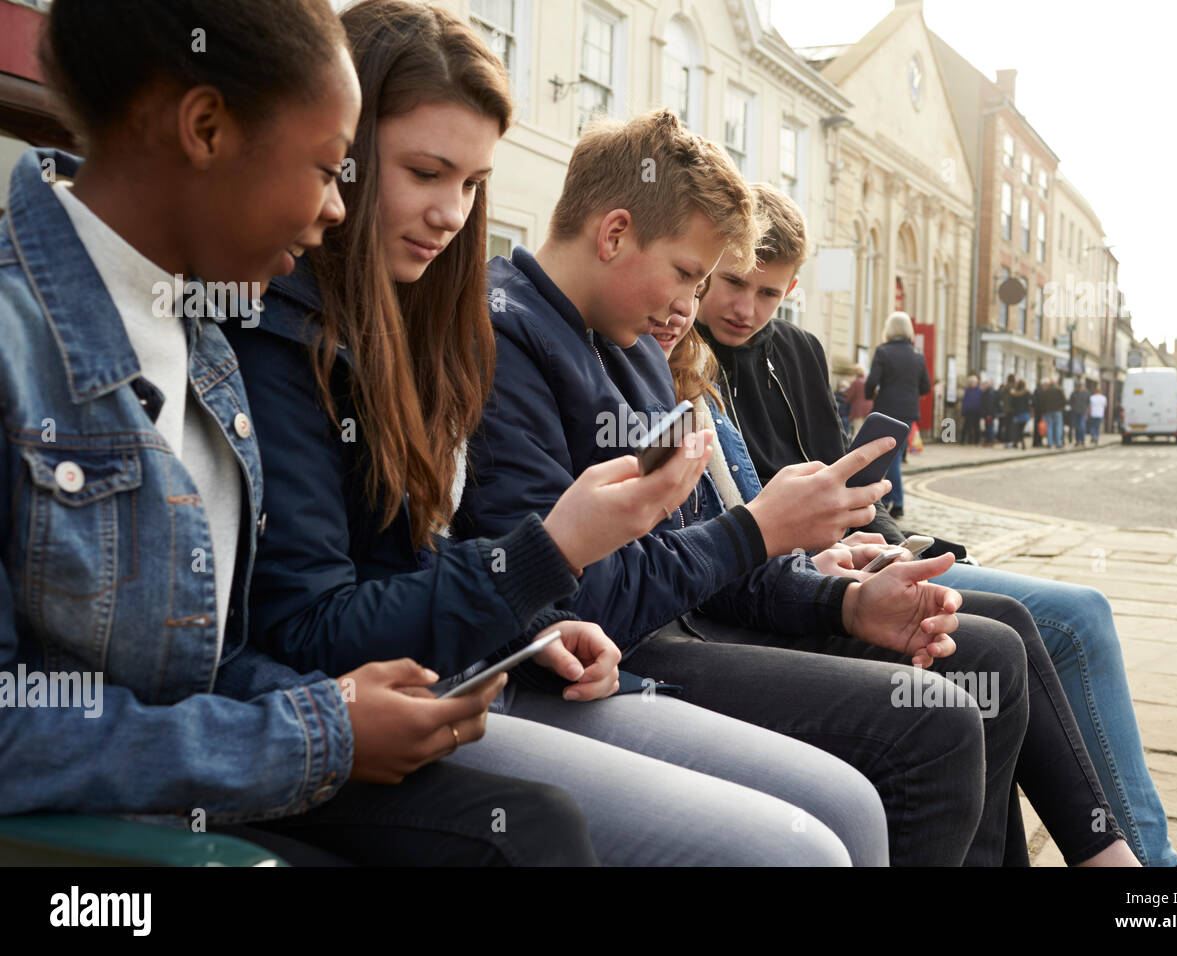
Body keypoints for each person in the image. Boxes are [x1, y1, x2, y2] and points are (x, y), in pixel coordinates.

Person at [225, 0, 886, 867]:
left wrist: (536, 629)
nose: (452, 213)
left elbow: (428, 563)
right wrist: (564, 554)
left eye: (470, 184)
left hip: (515, 666)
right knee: (804, 840)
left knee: (855, 803)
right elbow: (315, 624)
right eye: (425, 172)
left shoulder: (441, 329)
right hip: (385, 706)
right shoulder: (353, 333)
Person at [0, 0, 603, 866]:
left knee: (529, 829)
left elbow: (209, 656)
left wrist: (345, 707)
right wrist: (318, 730)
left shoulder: (201, 332)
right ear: (206, 128)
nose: (334, 211)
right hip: (90, 846)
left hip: (208, 789)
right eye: (327, 168)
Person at [456, 109, 1043, 866]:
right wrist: (758, 531)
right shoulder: (508, 337)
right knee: (933, 728)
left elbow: (706, 547)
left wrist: (844, 601)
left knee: (983, 655)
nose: (689, 309)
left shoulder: (631, 344)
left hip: (684, 624)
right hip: (621, 657)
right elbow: (573, 603)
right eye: (692, 277)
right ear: (613, 235)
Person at [691, 182, 1177, 866]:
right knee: (1001, 639)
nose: (745, 308)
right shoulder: (679, 345)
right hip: (795, 580)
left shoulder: (796, 350)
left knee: (1076, 613)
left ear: (792, 288)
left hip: (870, 554)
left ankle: (1144, 862)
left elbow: (850, 481)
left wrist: (908, 545)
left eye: (768, 293)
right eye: (732, 283)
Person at [860, 313, 929, 517]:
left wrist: (869, 394)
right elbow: (925, 386)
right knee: (893, 456)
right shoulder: (918, 355)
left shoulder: (883, 351)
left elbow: (872, 381)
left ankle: (896, 501)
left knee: (888, 457)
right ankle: (889, 499)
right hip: (908, 412)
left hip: (886, 409)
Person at [1040, 377, 1067, 448]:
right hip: (1058, 411)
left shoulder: (1046, 391)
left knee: (1049, 427)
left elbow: (1042, 402)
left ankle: (1049, 443)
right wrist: (1061, 408)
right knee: (1058, 427)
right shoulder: (1059, 390)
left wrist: (1044, 410)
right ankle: (1058, 443)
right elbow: (1064, 400)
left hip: (1048, 411)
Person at [1007, 378, 1031, 450]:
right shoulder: (1027, 393)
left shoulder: (1014, 393)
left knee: (1017, 430)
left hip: (1017, 414)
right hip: (1025, 414)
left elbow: (1012, 404)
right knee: (1020, 430)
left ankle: (1017, 444)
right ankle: (1020, 444)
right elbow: (1030, 402)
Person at [960, 374, 983, 445]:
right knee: (966, 426)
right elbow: (964, 400)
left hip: (977, 411)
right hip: (968, 410)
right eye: (971, 382)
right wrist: (963, 409)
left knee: (976, 427)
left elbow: (982, 401)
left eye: (973, 382)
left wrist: (981, 410)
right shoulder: (967, 390)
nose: (972, 384)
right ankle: (963, 440)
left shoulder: (979, 390)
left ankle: (976, 441)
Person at [981, 377, 1001, 446]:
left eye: (983, 385)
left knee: (989, 427)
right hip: (988, 413)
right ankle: (989, 440)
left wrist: (989, 414)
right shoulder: (988, 392)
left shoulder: (989, 392)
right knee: (988, 426)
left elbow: (989, 404)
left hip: (989, 414)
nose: (982, 387)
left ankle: (991, 441)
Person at [1070, 380, 1090, 446]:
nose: (1079, 388)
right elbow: (1071, 402)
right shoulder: (1074, 393)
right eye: (1078, 387)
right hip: (1075, 412)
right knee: (1076, 427)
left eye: (1080, 386)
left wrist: (1087, 412)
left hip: (1083, 412)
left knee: (1082, 426)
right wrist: (1073, 408)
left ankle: (1082, 440)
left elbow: (1088, 403)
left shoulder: (1086, 393)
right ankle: (1077, 440)